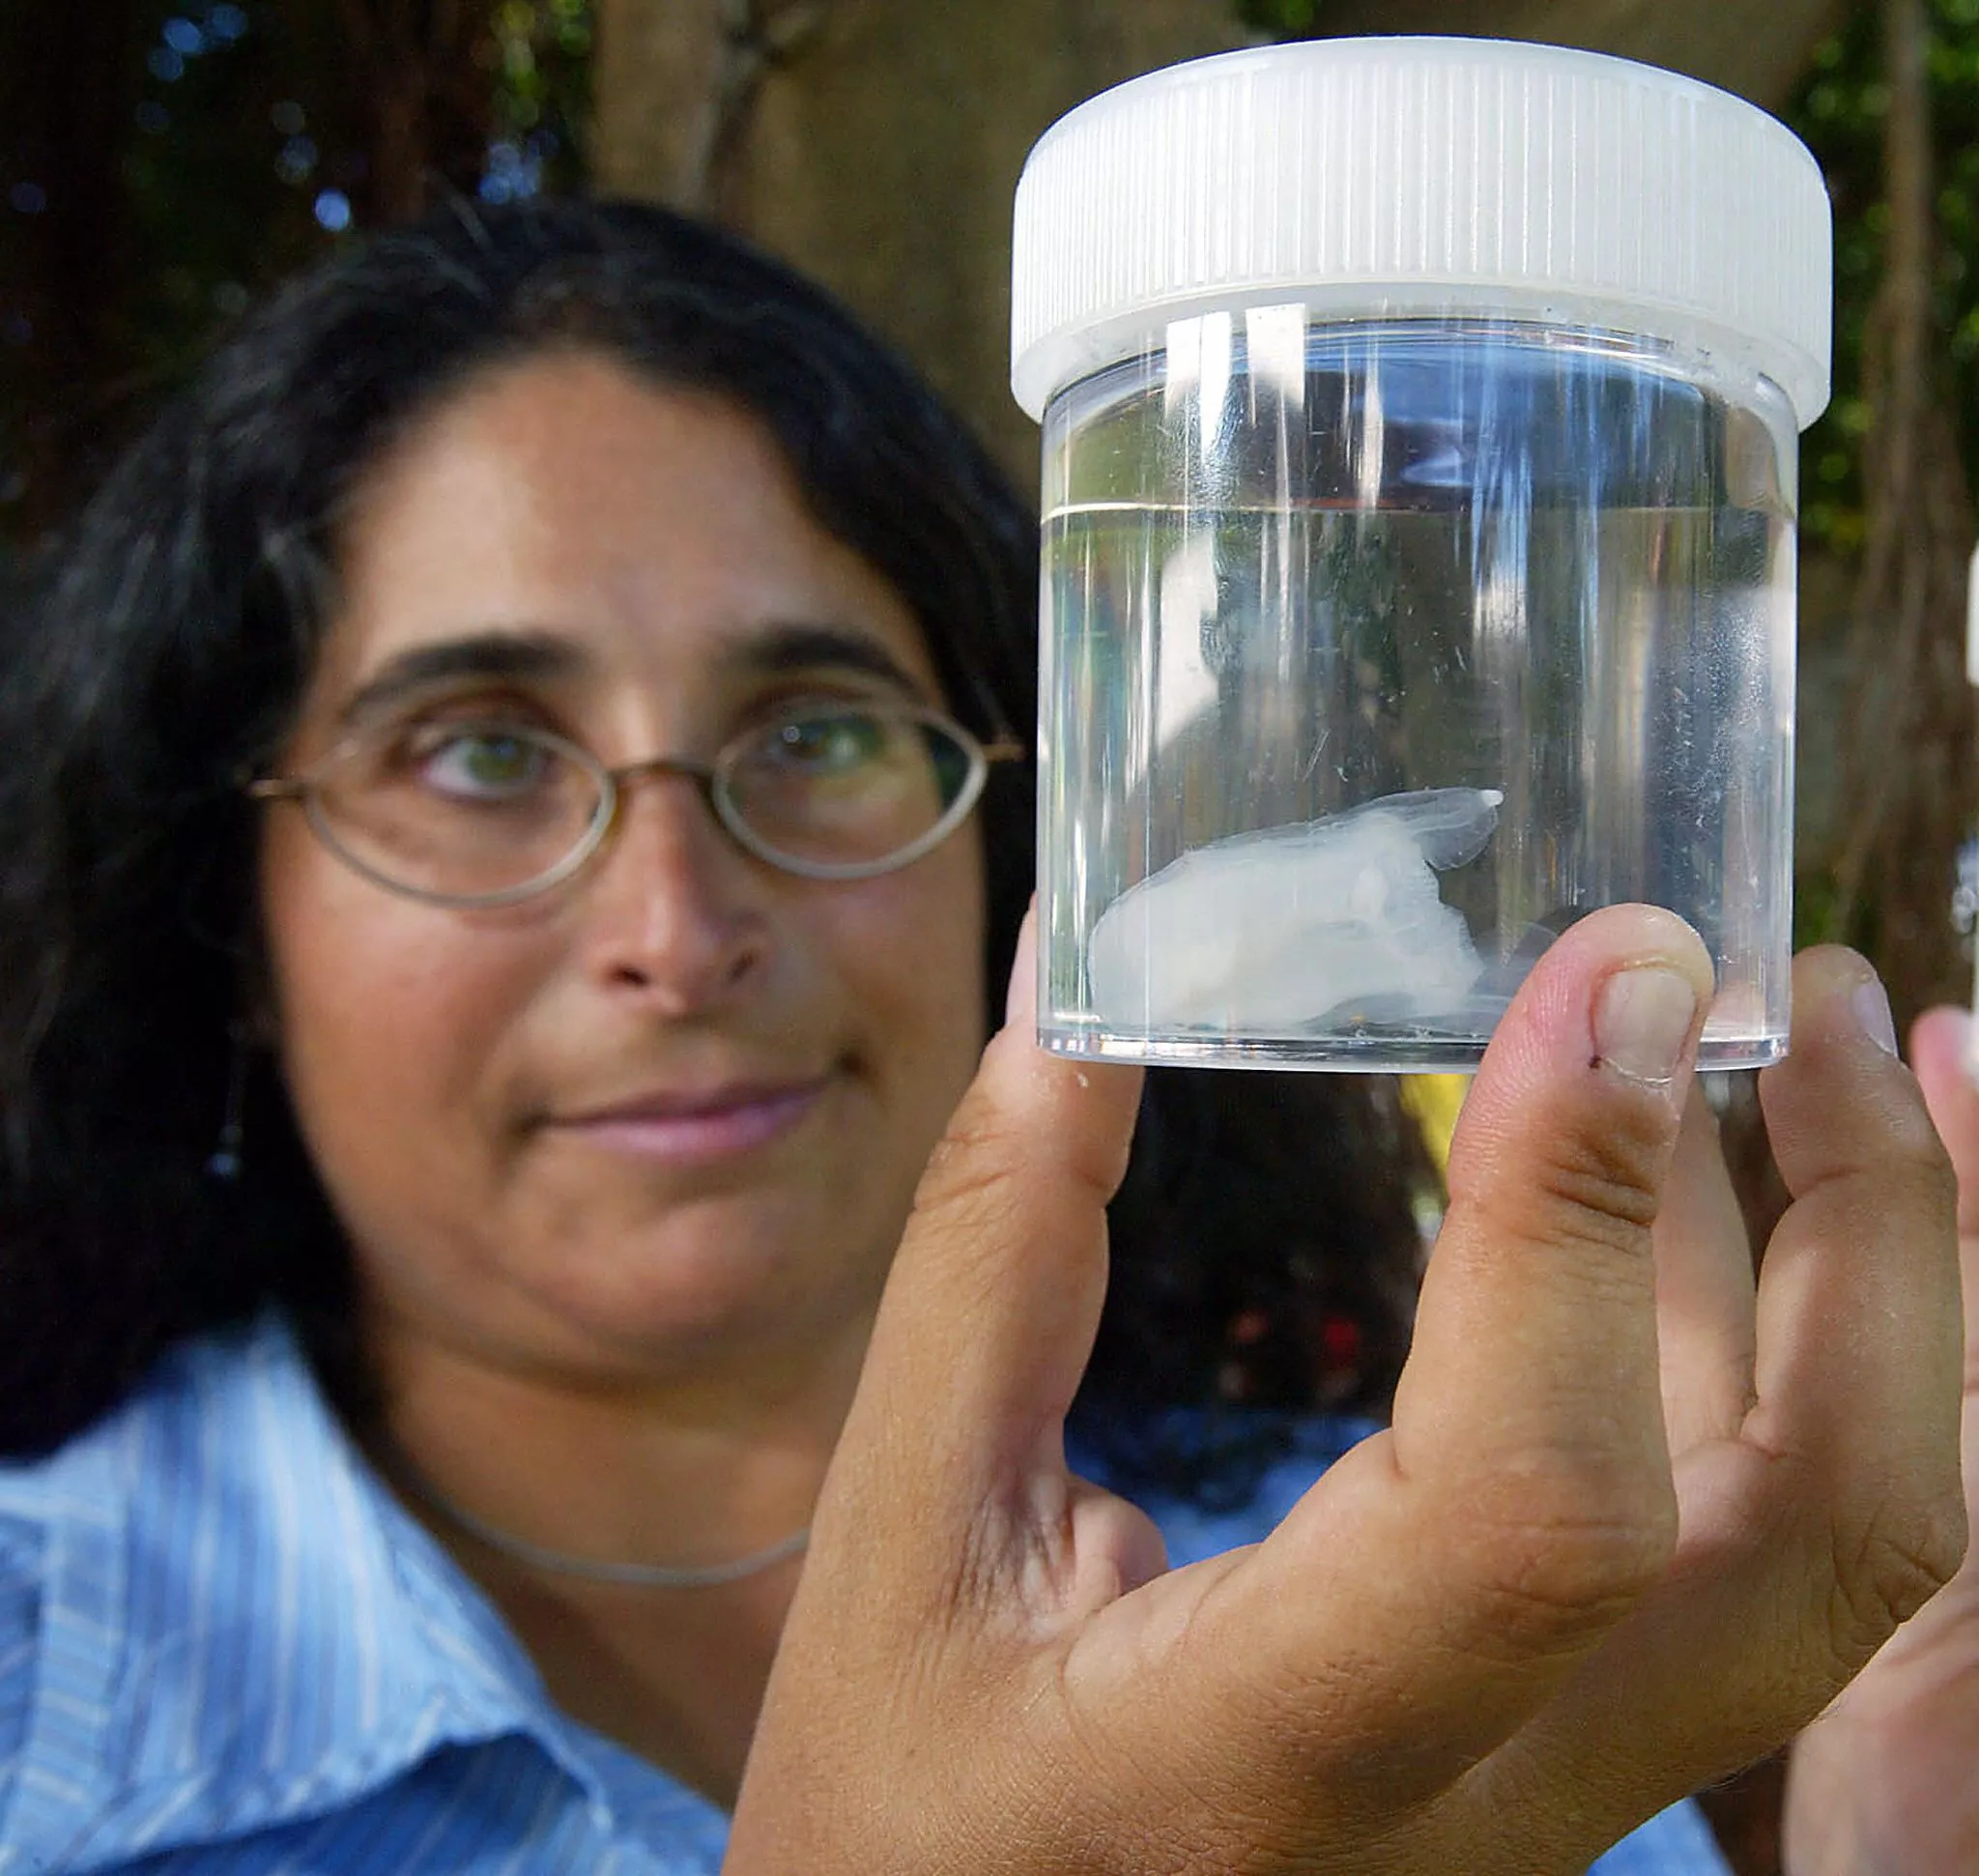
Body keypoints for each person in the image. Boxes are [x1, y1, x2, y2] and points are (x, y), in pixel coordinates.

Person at [0, 194, 1961, 1875]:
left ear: (1022, 840)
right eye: (482, 753)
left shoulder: (1445, 1554)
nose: (677, 931)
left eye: (821, 734)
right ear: (226, 909)